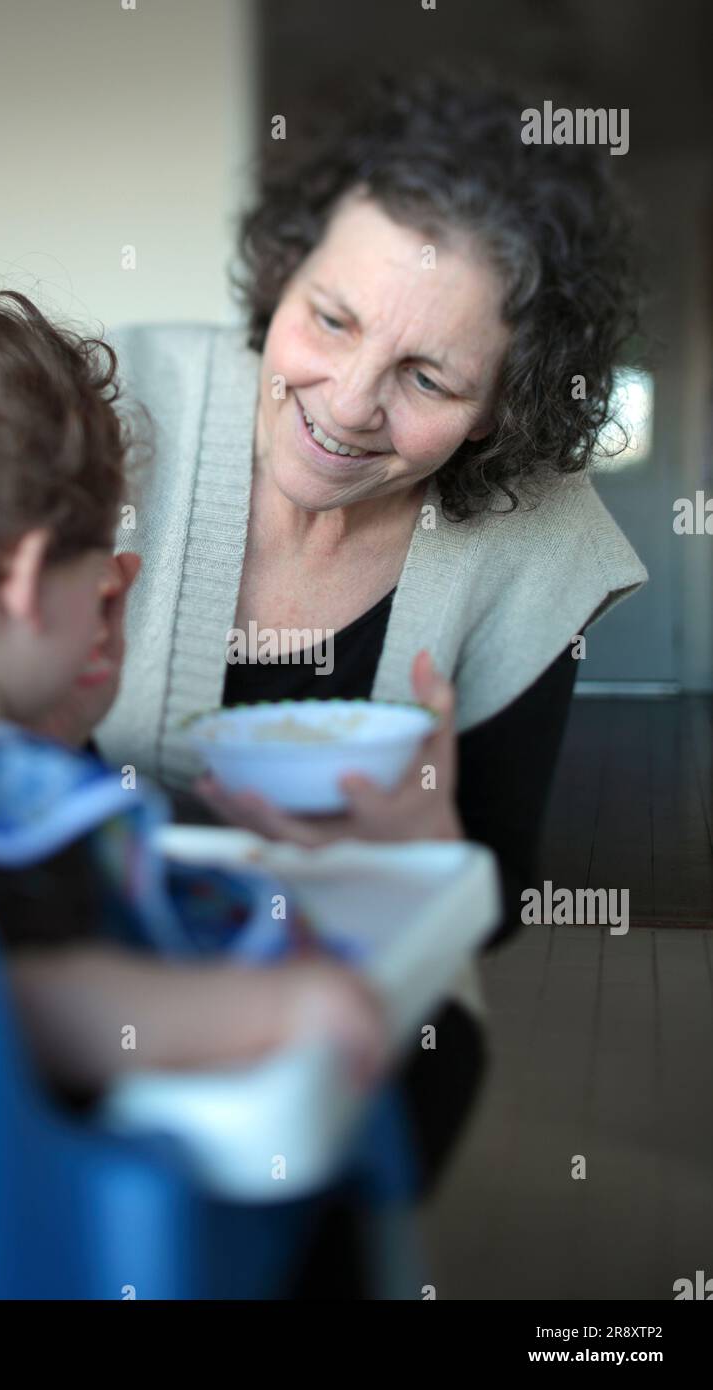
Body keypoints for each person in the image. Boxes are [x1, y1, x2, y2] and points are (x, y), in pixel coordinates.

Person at [93, 73, 649, 1186]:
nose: (347, 402)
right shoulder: (113, 411)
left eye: (428, 375)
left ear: (502, 404)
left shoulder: (538, 541)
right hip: (89, 950)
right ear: (282, 273)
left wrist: (425, 854)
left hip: (363, 997)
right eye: (330, 317)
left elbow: (489, 892)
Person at [0, 276, 389, 1104]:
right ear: (30, 579)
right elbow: (20, 999)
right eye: (96, 559)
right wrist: (286, 1003)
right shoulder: (5, 813)